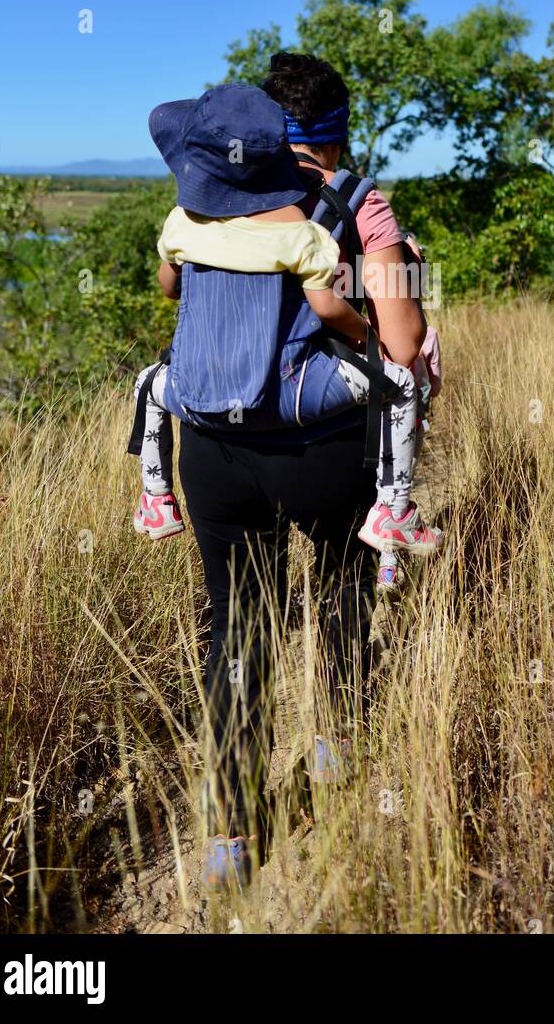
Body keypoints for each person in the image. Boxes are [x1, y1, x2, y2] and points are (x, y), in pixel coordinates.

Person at [134, 71, 433, 887]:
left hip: (211, 449)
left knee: (236, 629)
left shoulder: (207, 193)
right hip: (320, 447)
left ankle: (229, 835)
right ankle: (336, 750)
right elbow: (400, 344)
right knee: (341, 582)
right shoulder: (360, 203)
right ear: (337, 130)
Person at [128, 86, 442, 557]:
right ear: (336, 140)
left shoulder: (182, 221)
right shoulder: (310, 230)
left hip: (204, 426)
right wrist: (370, 335)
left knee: (238, 623)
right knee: (397, 384)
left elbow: (170, 287)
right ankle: (394, 510)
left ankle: (156, 497)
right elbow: (355, 321)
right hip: (303, 412)